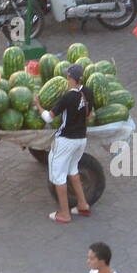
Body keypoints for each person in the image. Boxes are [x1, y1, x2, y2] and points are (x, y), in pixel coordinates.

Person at [42, 62, 94, 223]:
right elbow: (89, 115)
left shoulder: (68, 97)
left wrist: (37, 105)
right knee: (72, 170)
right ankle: (83, 205)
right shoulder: (87, 92)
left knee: (59, 177)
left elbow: (48, 117)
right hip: (81, 140)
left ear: (70, 78)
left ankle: (64, 214)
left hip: (65, 141)